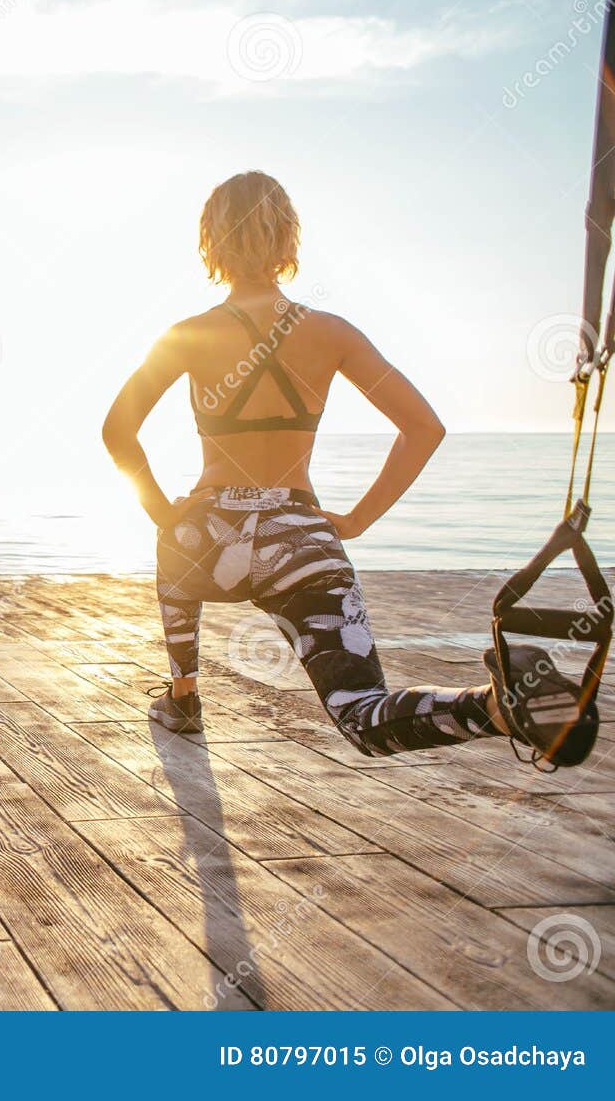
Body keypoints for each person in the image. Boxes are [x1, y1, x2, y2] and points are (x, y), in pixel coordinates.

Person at [102, 171, 591, 766]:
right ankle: (493, 708)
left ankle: (183, 695)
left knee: (177, 543)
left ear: (212, 242)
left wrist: (164, 513)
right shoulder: (330, 332)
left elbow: (117, 430)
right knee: (360, 712)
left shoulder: (186, 335)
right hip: (298, 540)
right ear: (288, 238)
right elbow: (424, 428)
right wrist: (357, 520)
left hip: (207, 540)